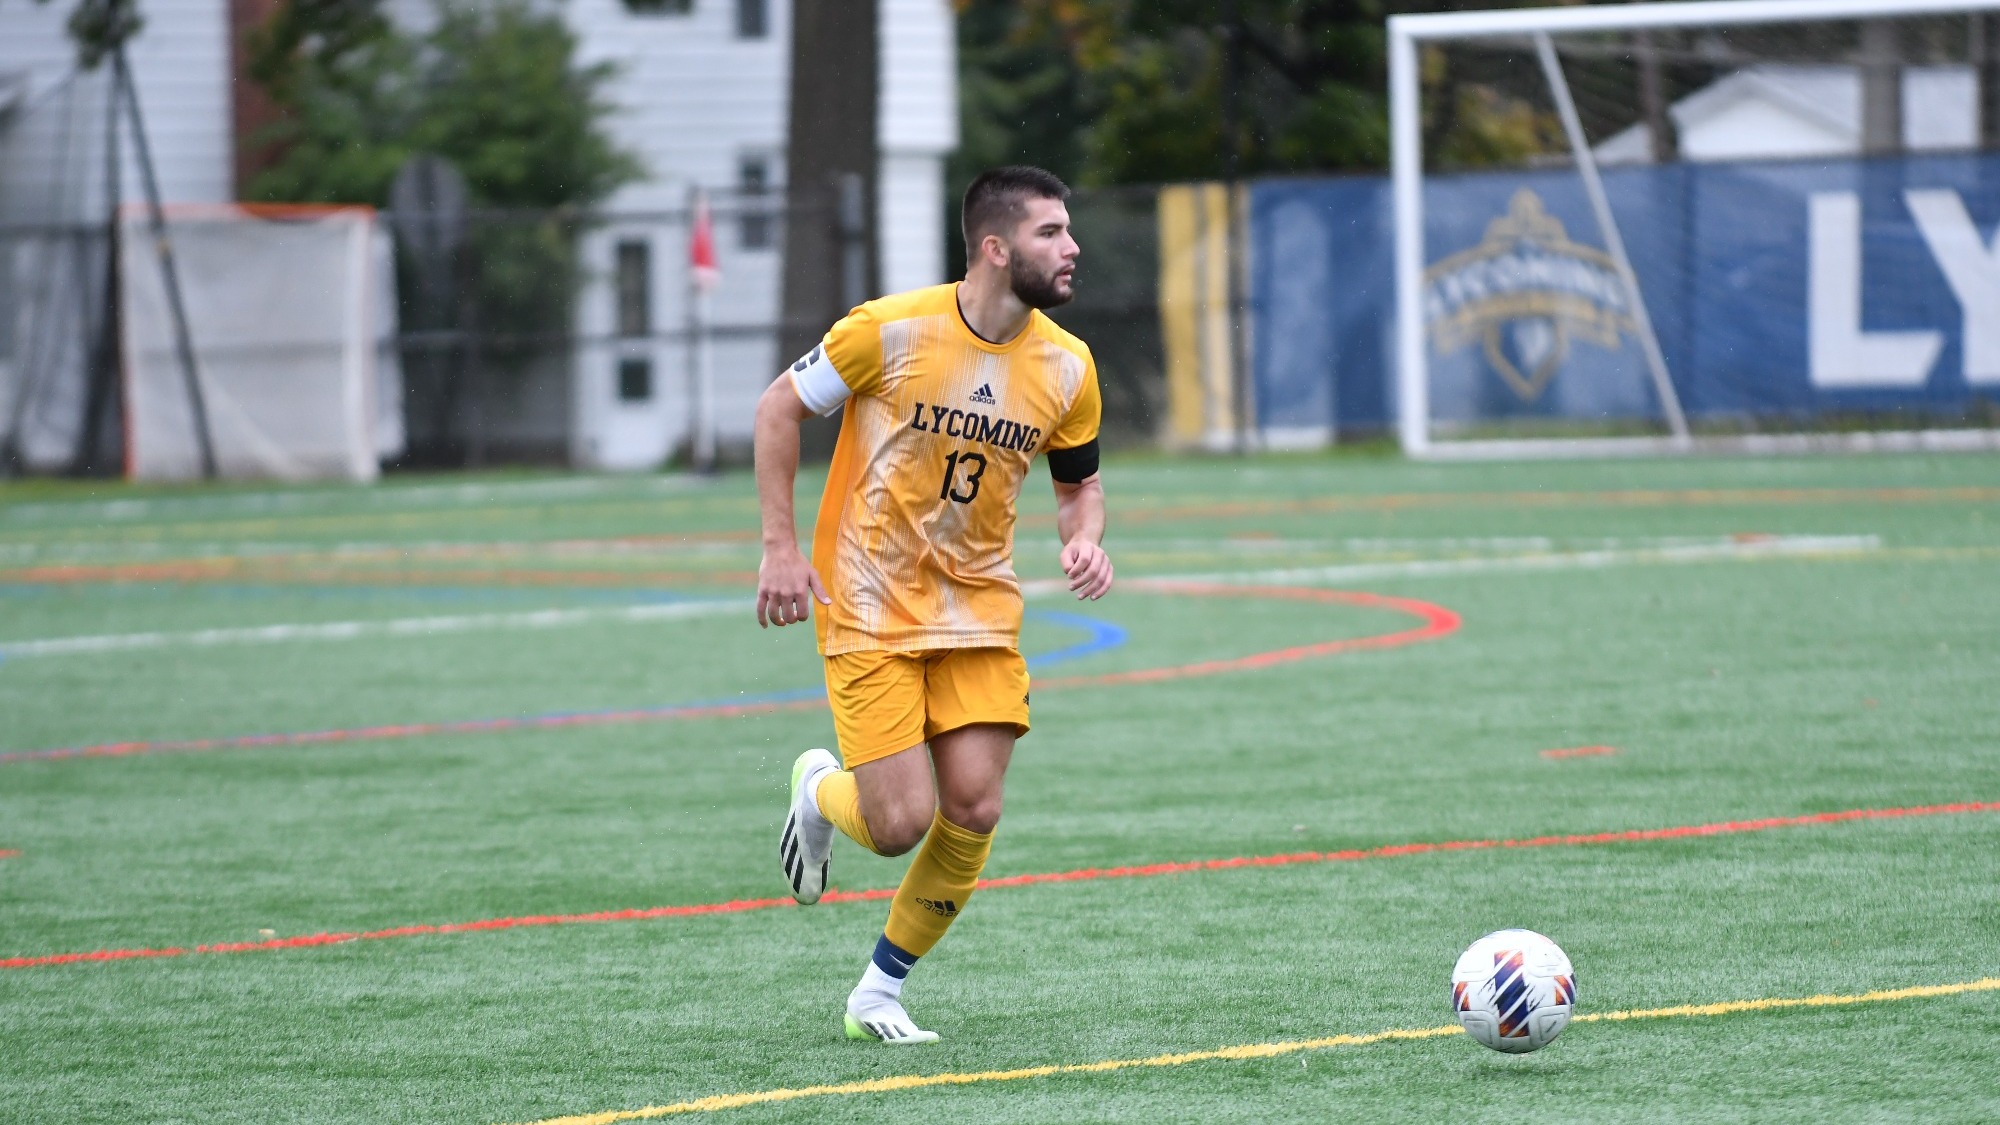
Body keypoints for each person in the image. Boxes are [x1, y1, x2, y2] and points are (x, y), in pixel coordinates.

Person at [752, 165, 1113, 1045]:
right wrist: (780, 548)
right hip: (868, 599)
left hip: (979, 610)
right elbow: (777, 410)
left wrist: (1085, 537)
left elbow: (1080, 483)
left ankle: (878, 993)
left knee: (975, 806)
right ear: (996, 248)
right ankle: (819, 791)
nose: (1072, 247)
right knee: (897, 823)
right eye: (1050, 232)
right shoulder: (888, 330)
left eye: (1068, 230)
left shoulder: (1069, 366)